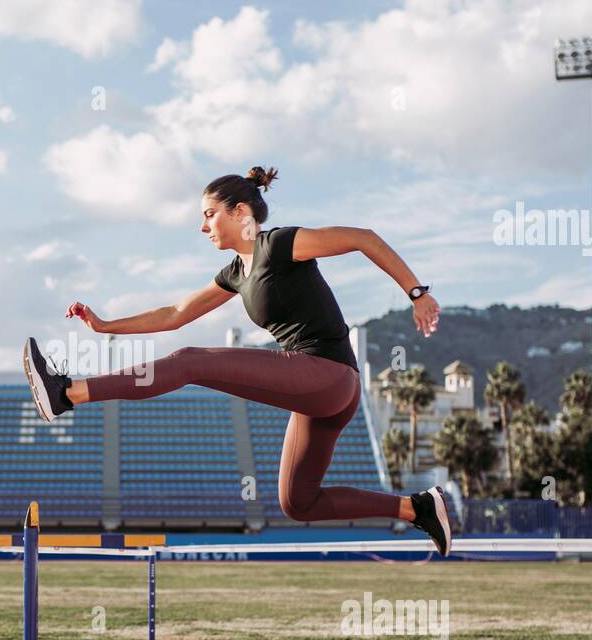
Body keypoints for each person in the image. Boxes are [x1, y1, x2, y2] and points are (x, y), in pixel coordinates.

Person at [23, 166, 452, 555]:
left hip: (327, 375)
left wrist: (416, 293)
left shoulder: (280, 244)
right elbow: (175, 314)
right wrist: (103, 325)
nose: (202, 225)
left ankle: (68, 394)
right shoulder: (236, 272)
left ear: (240, 211)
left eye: (209, 214)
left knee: (191, 361)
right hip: (318, 394)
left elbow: (363, 238)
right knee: (298, 502)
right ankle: (417, 509)